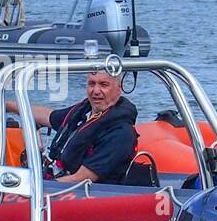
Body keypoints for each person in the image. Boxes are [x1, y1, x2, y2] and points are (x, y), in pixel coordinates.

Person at [9, 69, 139, 184]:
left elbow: (81, 178)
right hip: (55, 178)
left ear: (119, 88)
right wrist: (6, 106)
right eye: (91, 84)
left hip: (87, 194)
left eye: (104, 85)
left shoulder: (121, 134)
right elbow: (48, 115)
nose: (96, 91)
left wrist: (36, 187)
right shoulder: (83, 112)